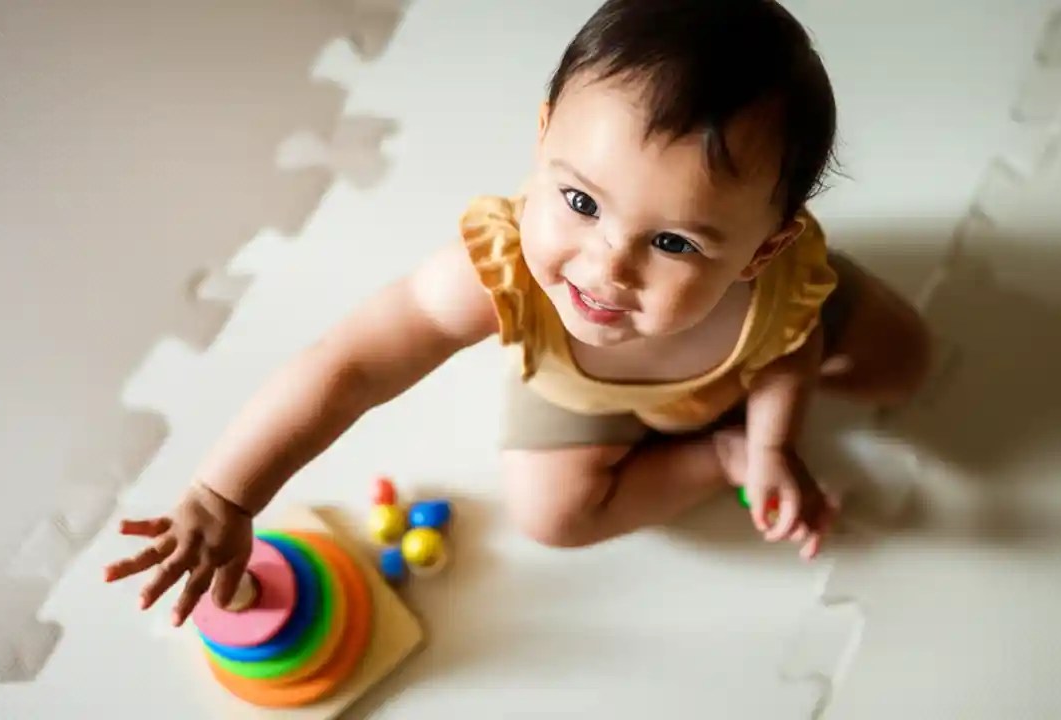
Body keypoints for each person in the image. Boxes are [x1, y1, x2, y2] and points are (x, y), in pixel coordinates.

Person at [104, 0, 930, 626]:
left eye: (674, 243)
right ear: (541, 141)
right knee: (552, 515)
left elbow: (788, 346)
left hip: (748, 357)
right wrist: (225, 496)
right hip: (584, 391)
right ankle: (715, 459)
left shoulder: (781, 281)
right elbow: (347, 366)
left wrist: (778, 436)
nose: (606, 266)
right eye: (579, 200)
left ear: (761, 250)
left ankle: (746, 437)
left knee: (907, 362)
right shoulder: (499, 275)